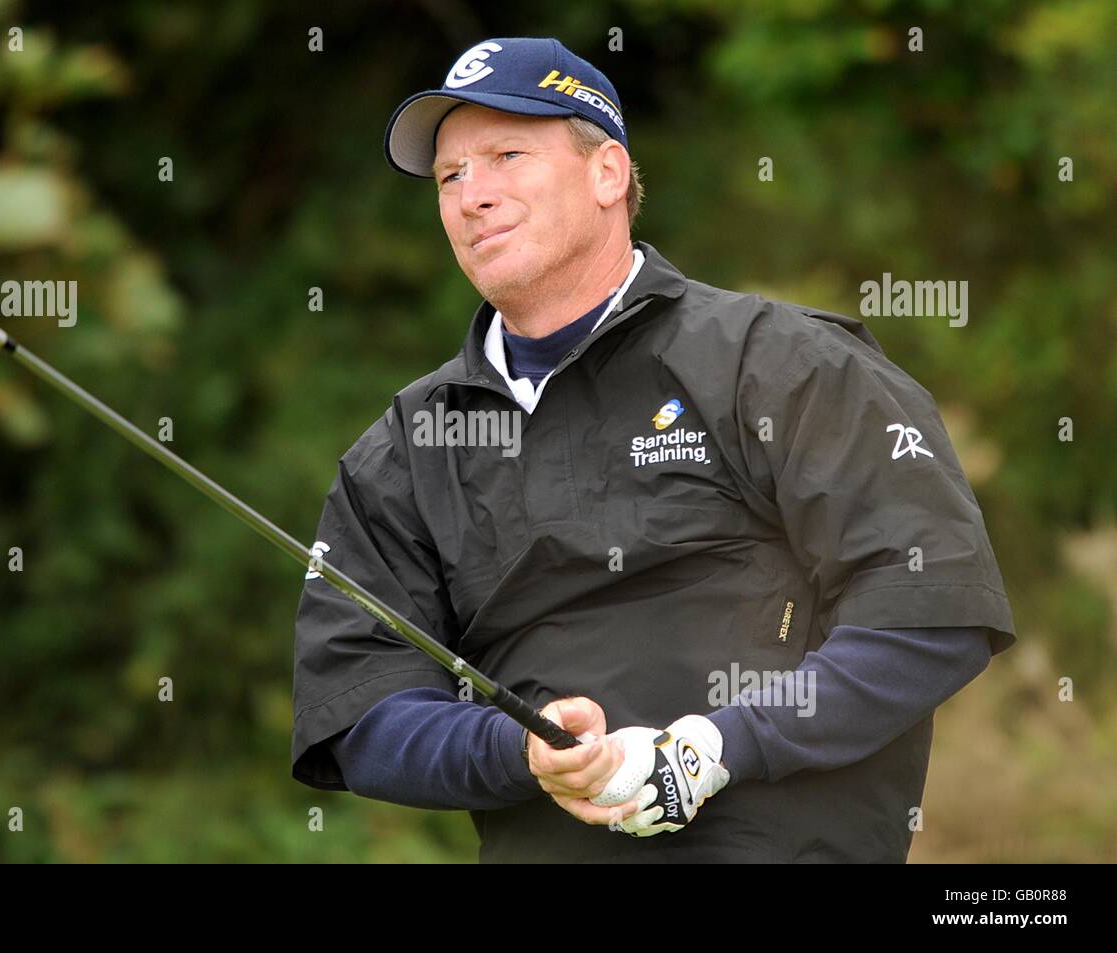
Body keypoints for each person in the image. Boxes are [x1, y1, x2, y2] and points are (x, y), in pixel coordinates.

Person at [291, 36, 1016, 862]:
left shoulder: (778, 362)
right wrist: (519, 750)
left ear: (607, 175)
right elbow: (359, 710)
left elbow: (933, 611)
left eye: (506, 155)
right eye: (451, 176)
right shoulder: (402, 451)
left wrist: (713, 747)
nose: (472, 194)